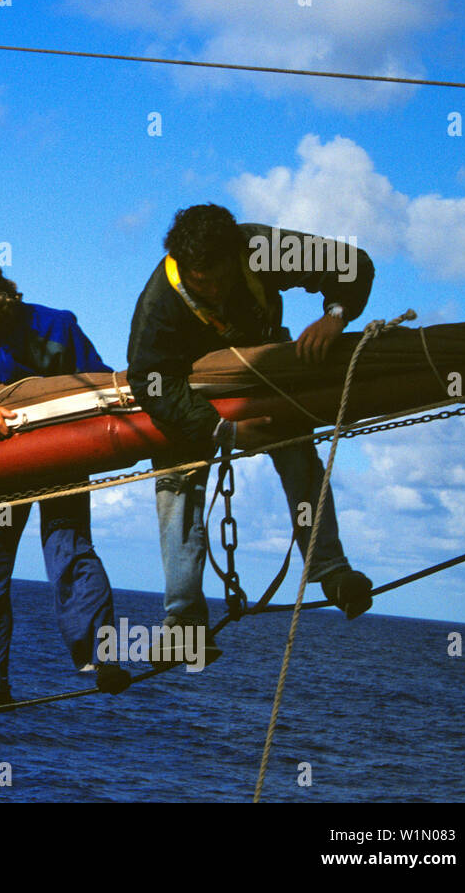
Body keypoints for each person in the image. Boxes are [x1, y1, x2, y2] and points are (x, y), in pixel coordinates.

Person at [126, 204, 376, 666]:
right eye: (203, 284)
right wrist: (223, 430)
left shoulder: (259, 249)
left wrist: (335, 315)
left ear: (237, 255)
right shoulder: (160, 299)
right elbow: (150, 381)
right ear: (183, 267)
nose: (215, 291)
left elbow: (352, 265)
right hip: (193, 390)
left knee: (297, 449)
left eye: (222, 278)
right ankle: (184, 622)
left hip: (264, 374)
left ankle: (331, 571)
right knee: (176, 477)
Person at [0, 251, 128, 719]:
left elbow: (99, 381)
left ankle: (103, 657)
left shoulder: (56, 326)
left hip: (62, 459)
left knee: (70, 550)